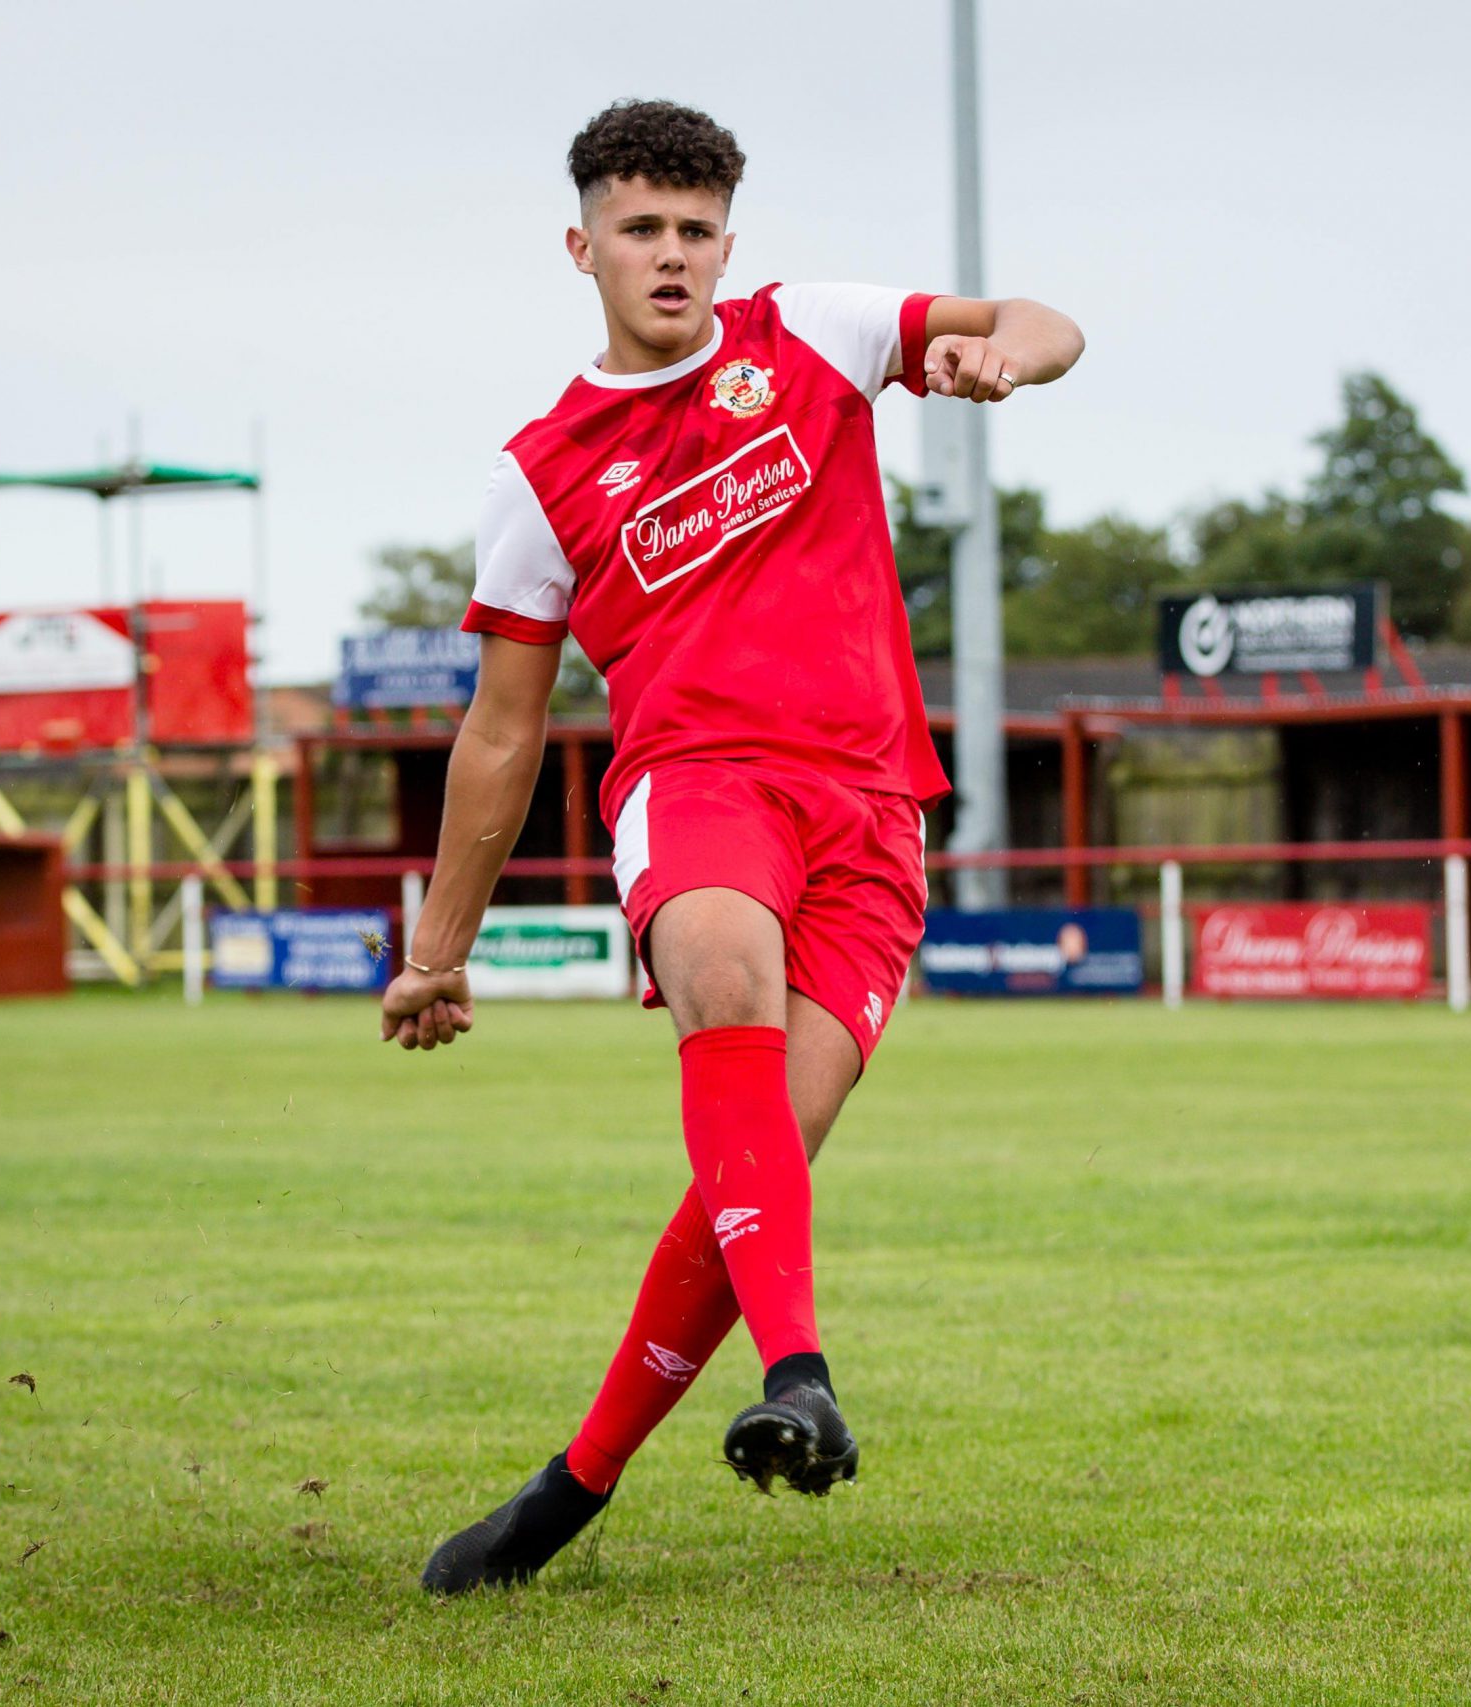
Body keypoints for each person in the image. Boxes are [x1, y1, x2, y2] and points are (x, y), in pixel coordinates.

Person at [378, 99, 1083, 1595]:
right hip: (700, 782)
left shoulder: (813, 333)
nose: (673, 255)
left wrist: (1002, 355)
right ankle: (805, 1373)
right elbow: (502, 737)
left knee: (752, 1167)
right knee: (721, 969)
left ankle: (575, 1484)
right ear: (583, 248)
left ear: (729, 244)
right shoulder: (543, 472)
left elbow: (1044, 314)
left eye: (697, 229)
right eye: (642, 229)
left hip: (874, 809)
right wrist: (437, 955)